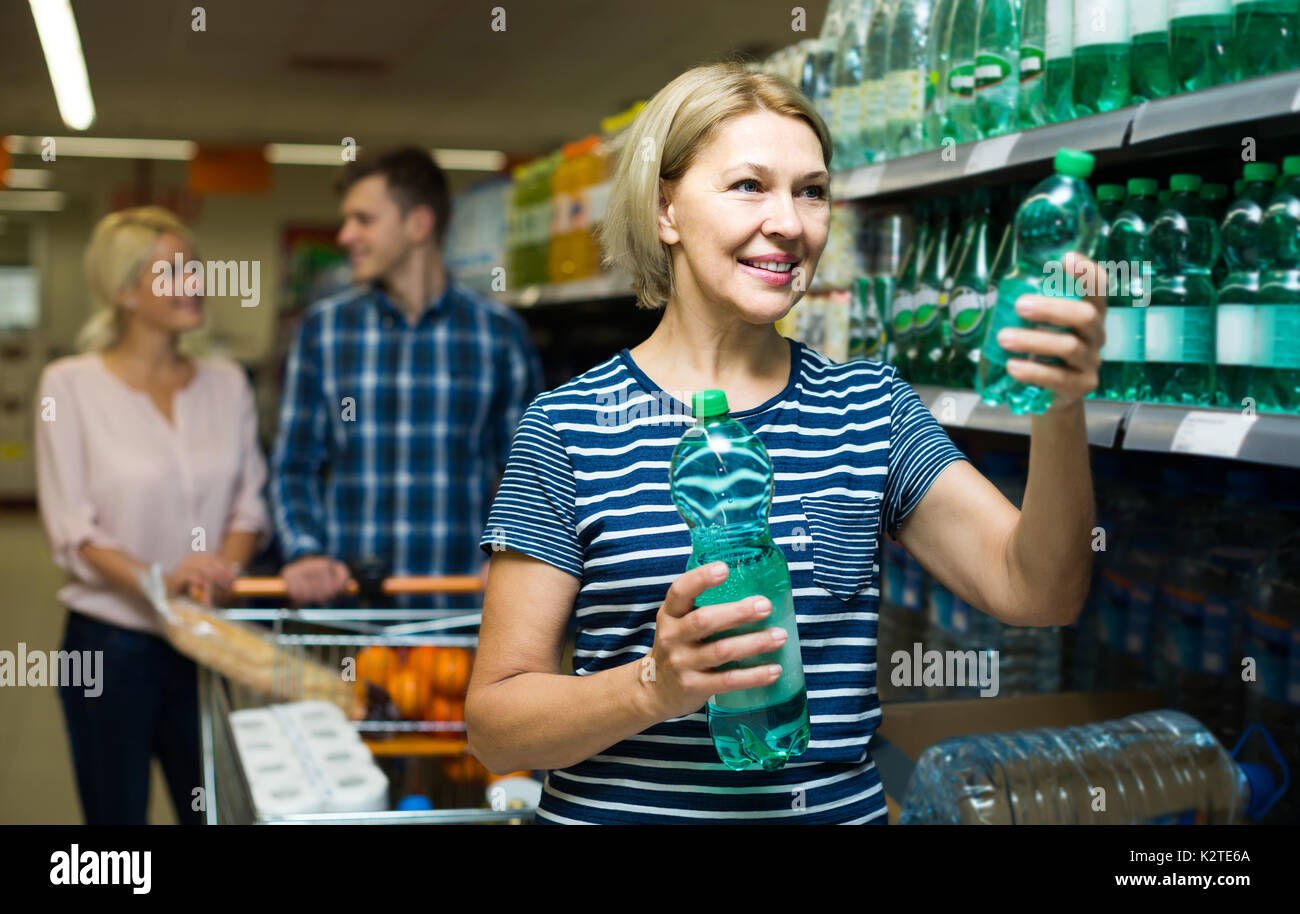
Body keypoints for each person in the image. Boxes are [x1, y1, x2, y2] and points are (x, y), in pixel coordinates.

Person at [466, 63, 1106, 824]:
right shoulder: (568, 425)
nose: (791, 223)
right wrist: (654, 687)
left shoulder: (871, 409)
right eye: (748, 186)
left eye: (811, 190)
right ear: (666, 208)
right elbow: (494, 724)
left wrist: (1061, 407)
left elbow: (1040, 592)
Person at [35, 206, 271, 825]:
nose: (194, 283)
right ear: (123, 290)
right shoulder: (71, 386)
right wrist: (162, 580)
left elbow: (249, 501)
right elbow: (73, 530)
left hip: (206, 638)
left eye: (194, 268)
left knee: (216, 810)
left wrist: (220, 570)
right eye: (171, 272)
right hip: (111, 645)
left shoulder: (227, 383)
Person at [270, 147, 543, 606]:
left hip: (459, 617)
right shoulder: (324, 331)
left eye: (363, 220)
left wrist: (510, 552)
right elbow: (294, 466)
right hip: (349, 618)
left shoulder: (497, 334)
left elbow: (528, 472)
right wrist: (305, 551)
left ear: (418, 225)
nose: (344, 235)